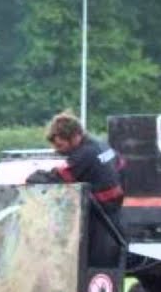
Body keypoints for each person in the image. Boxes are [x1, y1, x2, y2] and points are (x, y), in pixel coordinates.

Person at [26, 111, 126, 267]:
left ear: (74, 137)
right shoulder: (102, 145)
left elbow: (58, 178)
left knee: (92, 267)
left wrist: (33, 177)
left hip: (99, 219)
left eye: (60, 145)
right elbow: (120, 164)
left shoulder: (84, 155)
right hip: (116, 214)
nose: (58, 150)